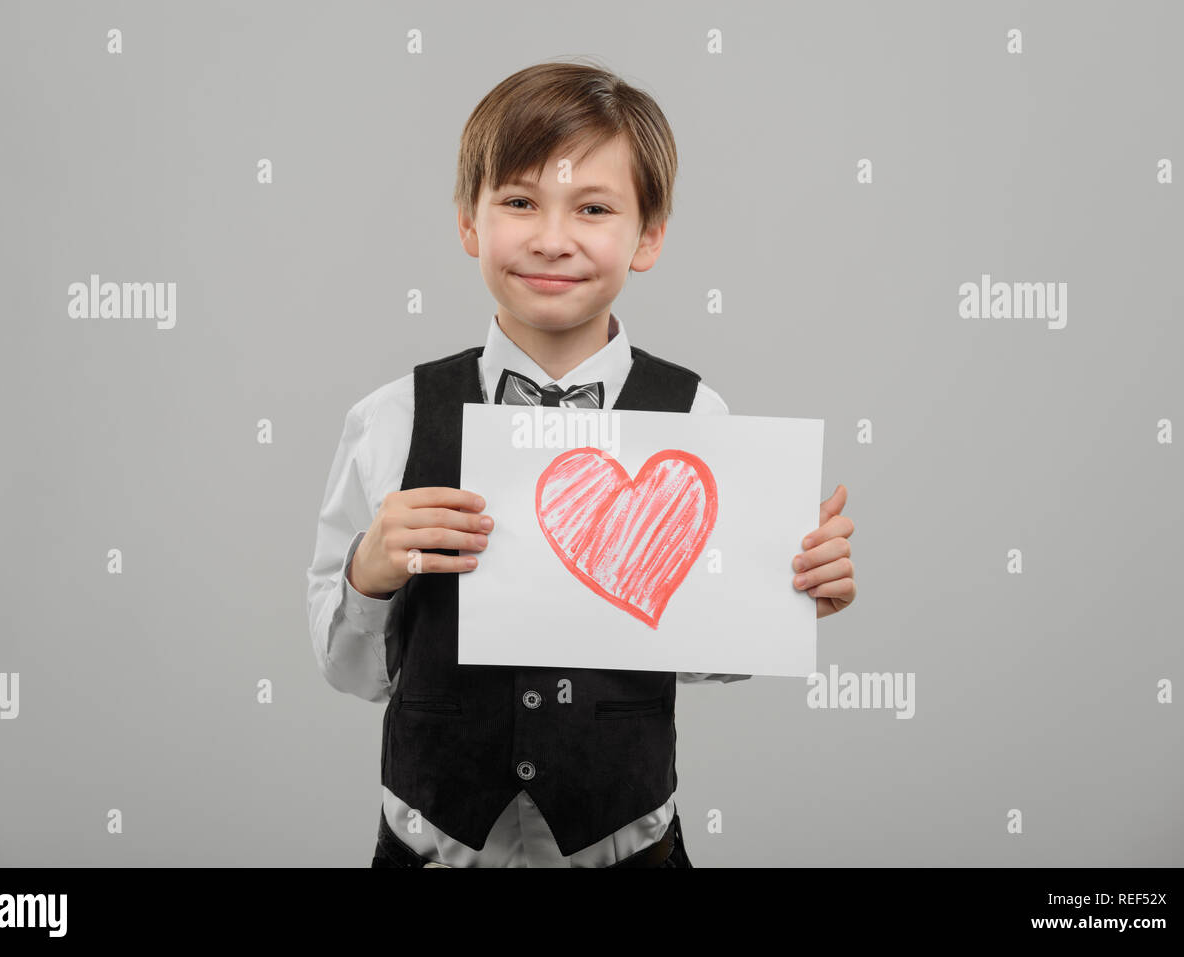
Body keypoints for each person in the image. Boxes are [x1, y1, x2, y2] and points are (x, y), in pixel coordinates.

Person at [306, 59, 857, 868]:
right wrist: (369, 570)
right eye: (520, 202)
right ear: (469, 222)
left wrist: (792, 591)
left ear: (650, 236)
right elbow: (347, 670)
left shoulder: (699, 421)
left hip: (627, 851)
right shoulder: (391, 420)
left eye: (593, 208)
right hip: (430, 852)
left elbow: (703, 651)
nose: (552, 238)